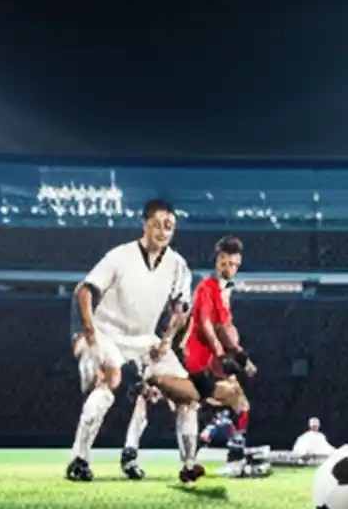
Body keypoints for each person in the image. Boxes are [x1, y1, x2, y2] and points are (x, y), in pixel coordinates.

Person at [66, 199, 200, 483]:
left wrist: (167, 340)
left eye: (169, 226)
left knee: (188, 394)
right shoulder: (120, 256)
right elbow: (85, 292)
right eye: (157, 224)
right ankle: (79, 459)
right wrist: (91, 335)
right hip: (108, 334)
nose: (163, 231)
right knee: (110, 382)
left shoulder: (178, 265)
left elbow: (181, 309)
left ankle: (188, 464)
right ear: (145, 223)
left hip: (145, 340)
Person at [181, 235, 263, 476]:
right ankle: (232, 451)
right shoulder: (207, 287)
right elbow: (206, 324)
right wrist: (219, 352)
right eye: (225, 263)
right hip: (199, 363)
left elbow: (227, 332)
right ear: (217, 262)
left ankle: (199, 457)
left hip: (207, 364)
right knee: (235, 403)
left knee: (225, 404)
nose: (229, 269)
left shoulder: (223, 293)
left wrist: (242, 358)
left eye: (234, 265)